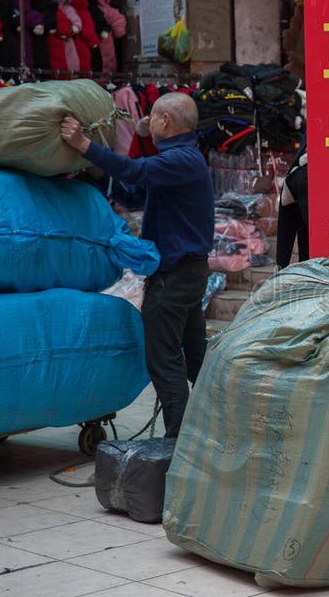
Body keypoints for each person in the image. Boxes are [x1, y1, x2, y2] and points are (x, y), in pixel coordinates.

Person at [60, 92, 215, 439]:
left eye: (153, 116)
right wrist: (98, 171)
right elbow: (133, 192)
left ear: (165, 121)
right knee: (195, 358)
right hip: (186, 274)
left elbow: (136, 170)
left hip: (175, 278)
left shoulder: (181, 160)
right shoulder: (182, 161)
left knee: (163, 359)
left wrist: (84, 144)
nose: (148, 121)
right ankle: (213, 428)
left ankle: (179, 441)